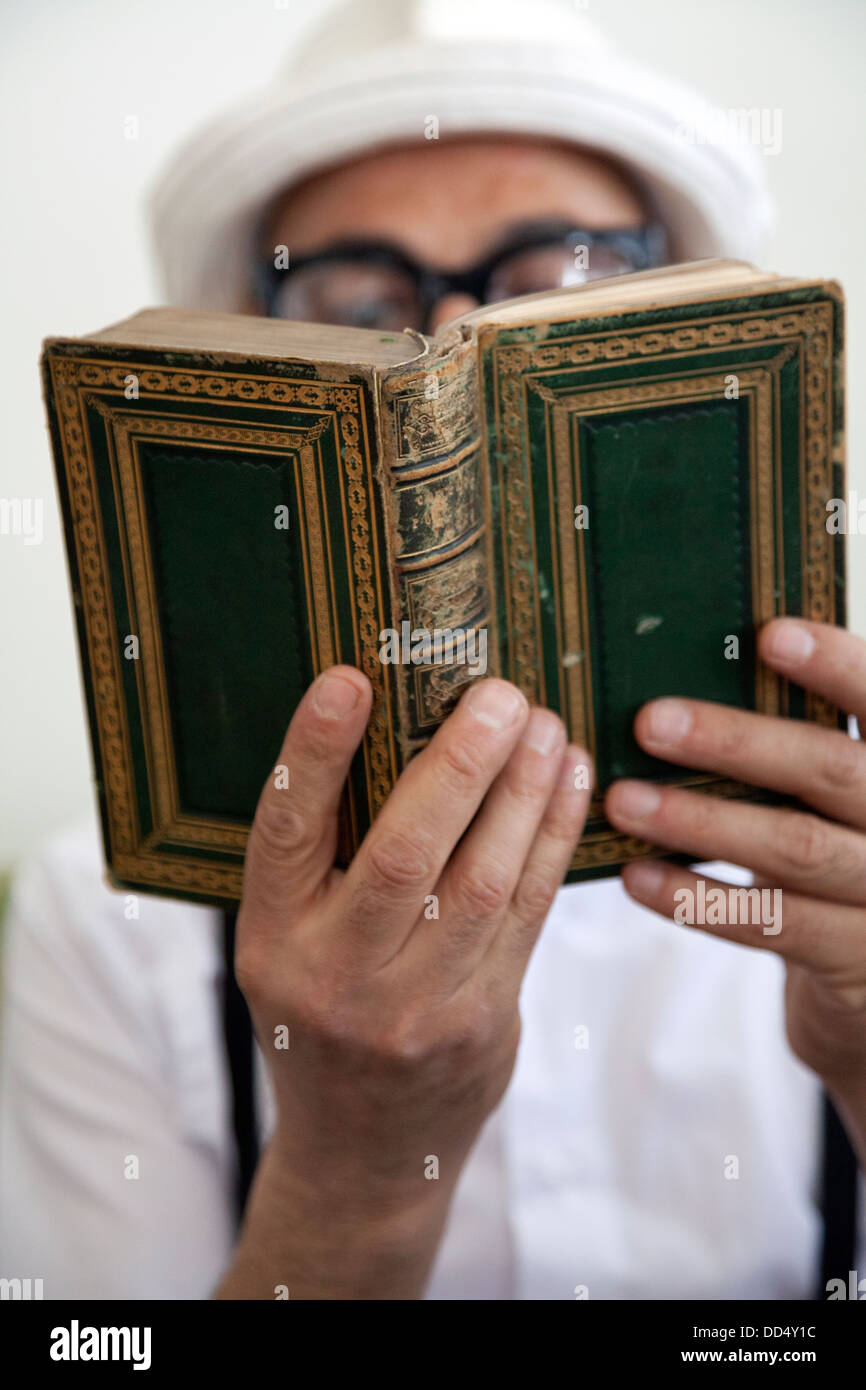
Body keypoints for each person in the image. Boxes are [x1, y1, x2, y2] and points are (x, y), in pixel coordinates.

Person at [2, 0, 864, 1301]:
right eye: (358, 290)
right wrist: (348, 1171)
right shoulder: (114, 917)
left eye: (556, 269)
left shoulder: (834, 854)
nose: (455, 332)